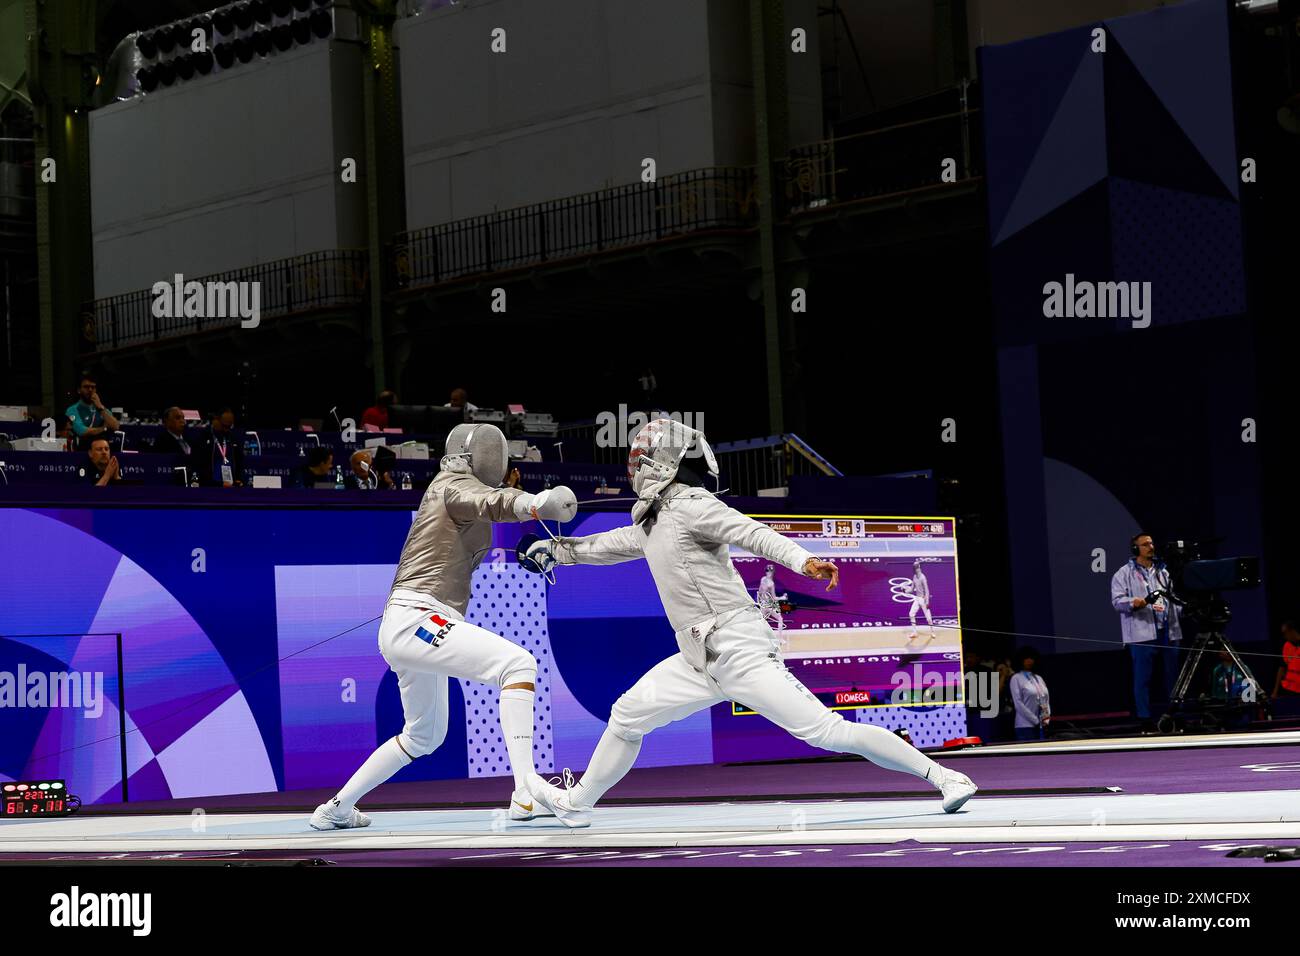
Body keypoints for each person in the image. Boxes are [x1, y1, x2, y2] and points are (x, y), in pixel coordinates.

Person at [520, 419, 977, 824]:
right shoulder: (653, 521)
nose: (636, 465)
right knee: (627, 716)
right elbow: (608, 545)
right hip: (696, 659)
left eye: (643, 458)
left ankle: (946, 776)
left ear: (662, 464)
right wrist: (556, 551)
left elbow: (750, 531)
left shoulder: (694, 504)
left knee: (827, 731)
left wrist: (802, 560)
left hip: (738, 649)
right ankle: (577, 804)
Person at [310, 423, 580, 829]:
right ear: (479, 457)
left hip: (417, 620)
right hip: (417, 619)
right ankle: (525, 791)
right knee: (518, 665)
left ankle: (336, 808)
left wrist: (524, 548)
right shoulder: (450, 484)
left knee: (424, 736)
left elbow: (476, 520)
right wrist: (536, 503)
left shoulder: (456, 489)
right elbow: (490, 502)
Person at [1111, 533, 1184, 731]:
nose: (1151, 547)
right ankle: (1145, 719)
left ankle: (1174, 717)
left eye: (1152, 543)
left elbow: (1173, 598)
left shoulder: (1163, 572)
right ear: (1135, 549)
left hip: (1167, 631)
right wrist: (1135, 602)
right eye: (1145, 544)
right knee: (1143, 678)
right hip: (1142, 634)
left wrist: (1180, 610)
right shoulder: (1123, 573)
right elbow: (1117, 601)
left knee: (1174, 677)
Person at [195, 407, 245, 487]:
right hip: (210, 486)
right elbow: (199, 465)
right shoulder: (204, 436)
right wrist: (214, 483)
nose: (227, 429)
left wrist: (239, 479)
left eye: (230, 426)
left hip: (230, 486)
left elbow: (239, 461)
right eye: (224, 426)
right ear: (215, 420)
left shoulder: (232, 437)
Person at [65, 376, 119, 449]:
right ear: (79, 390)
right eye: (86, 387)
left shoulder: (101, 408)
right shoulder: (72, 410)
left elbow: (115, 426)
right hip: (80, 450)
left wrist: (100, 408)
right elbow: (81, 431)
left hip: (101, 449)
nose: (90, 390)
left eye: (93, 387)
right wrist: (104, 429)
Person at [1009, 647, 1050, 741]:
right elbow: (1018, 704)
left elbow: (1046, 700)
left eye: (1031, 658)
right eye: (1026, 658)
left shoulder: (1039, 678)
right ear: (1020, 660)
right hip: (1025, 726)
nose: (1029, 661)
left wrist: (1046, 718)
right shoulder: (1016, 678)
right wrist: (1035, 720)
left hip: (1041, 725)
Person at [755, 563, 789, 647]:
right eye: (769, 571)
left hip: (763, 605)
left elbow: (759, 592)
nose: (769, 573)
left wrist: (759, 602)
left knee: (761, 622)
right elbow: (773, 598)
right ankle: (780, 639)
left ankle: (758, 638)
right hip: (768, 606)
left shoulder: (763, 579)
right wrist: (783, 598)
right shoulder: (771, 583)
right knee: (779, 619)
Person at [907, 558, 935, 642]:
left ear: (919, 568)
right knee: (911, 614)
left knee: (928, 618)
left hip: (923, 599)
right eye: (914, 568)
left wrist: (927, 601)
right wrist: (905, 590)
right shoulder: (914, 577)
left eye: (916, 567)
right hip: (917, 599)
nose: (915, 569)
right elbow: (912, 589)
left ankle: (932, 631)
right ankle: (915, 632)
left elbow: (927, 590)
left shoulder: (923, 578)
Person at [1272, 621, 1300, 699]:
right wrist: (1275, 692)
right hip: (1289, 689)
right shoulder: (1287, 645)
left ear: (1292, 631)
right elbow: (1281, 668)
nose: (1284, 636)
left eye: (1285, 633)